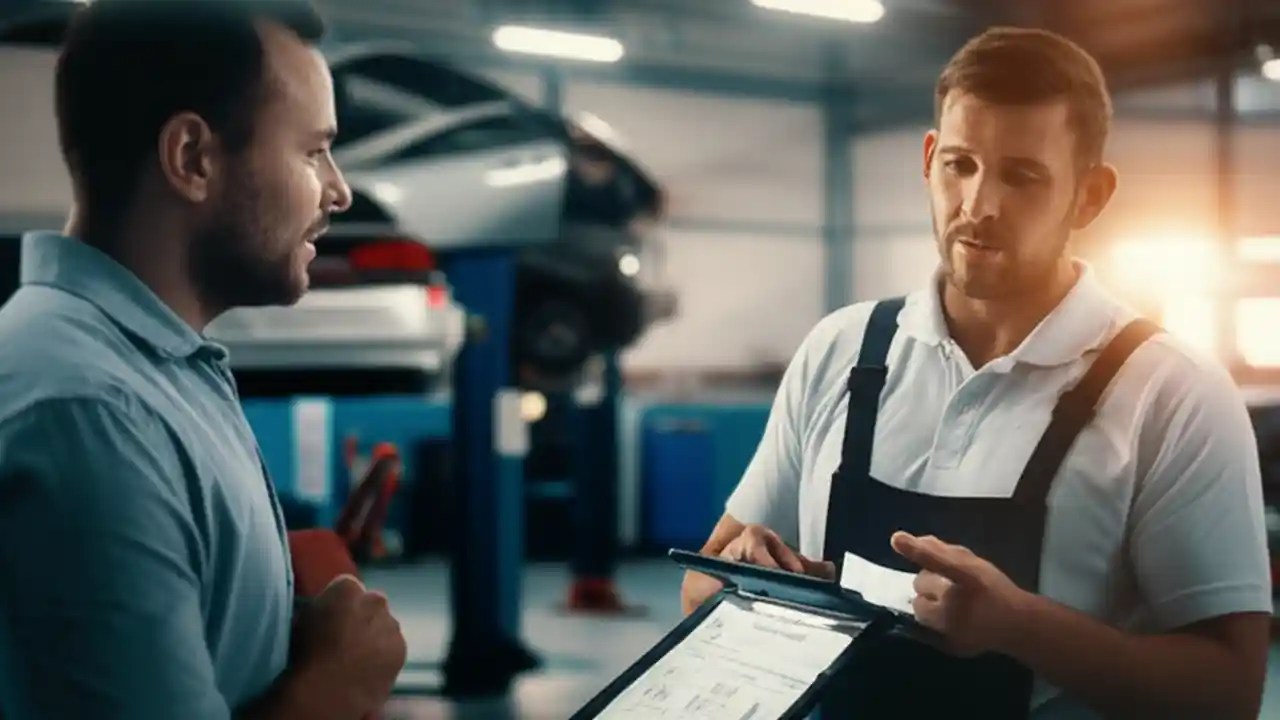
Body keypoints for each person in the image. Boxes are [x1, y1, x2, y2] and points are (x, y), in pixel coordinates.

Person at [681, 26, 1272, 720]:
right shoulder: (840, 351)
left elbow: (1229, 692)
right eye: (960, 165)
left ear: (1090, 195)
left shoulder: (1173, 394)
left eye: (1022, 176)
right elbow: (699, 586)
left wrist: (1020, 627)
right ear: (929, 159)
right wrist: (748, 581)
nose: (978, 205)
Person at [0, 2, 406, 718]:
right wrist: (334, 687)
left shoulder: (151, 372)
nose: (338, 190)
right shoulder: (89, 413)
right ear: (192, 158)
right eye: (313, 152)